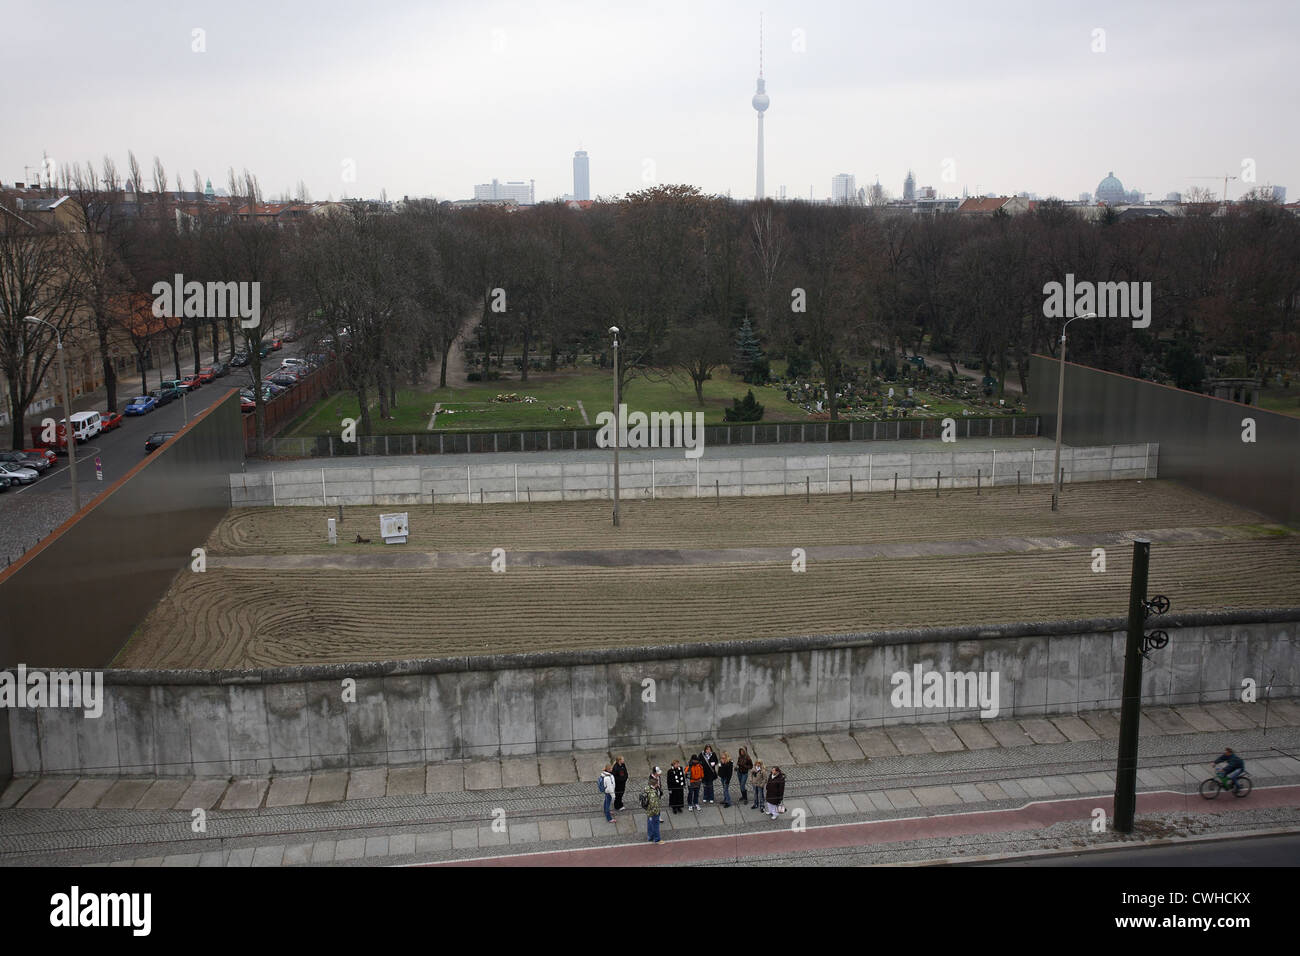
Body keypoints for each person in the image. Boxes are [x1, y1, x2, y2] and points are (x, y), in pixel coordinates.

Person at [643, 769, 664, 844]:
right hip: (653, 812)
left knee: (649, 824)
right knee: (656, 825)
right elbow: (654, 804)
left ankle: (650, 836)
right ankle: (657, 839)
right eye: (657, 783)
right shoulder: (652, 793)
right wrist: (657, 813)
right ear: (655, 784)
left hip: (648, 811)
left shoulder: (647, 789)